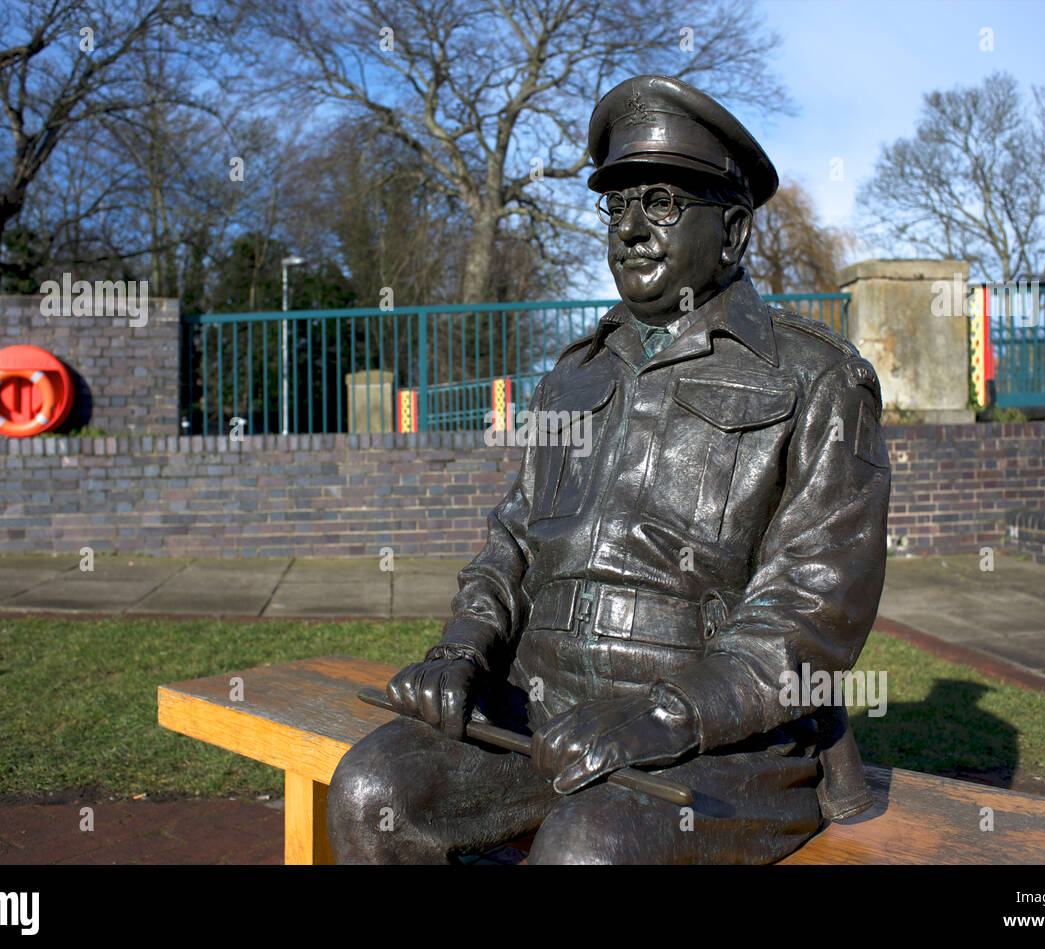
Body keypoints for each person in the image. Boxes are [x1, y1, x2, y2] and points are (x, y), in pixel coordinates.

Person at [327, 74, 891, 864]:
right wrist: (462, 648)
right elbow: (514, 540)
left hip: (723, 739)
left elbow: (815, 607)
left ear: (732, 233)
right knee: (371, 792)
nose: (630, 227)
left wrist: (663, 714)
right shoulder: (573, 373)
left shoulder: (817, 379)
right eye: (616, 205)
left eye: (661, 203)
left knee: (588, 850)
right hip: (544, 708)